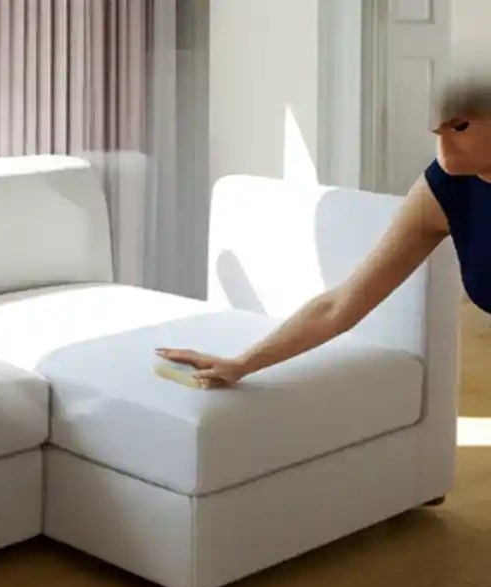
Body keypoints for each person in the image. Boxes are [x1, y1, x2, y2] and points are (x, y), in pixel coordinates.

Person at [157, 78, 491, 389]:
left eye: (460, 127)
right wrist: (240, 364)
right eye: (436, 130)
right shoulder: (444, 190)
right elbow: (338, 306)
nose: (443, 143)